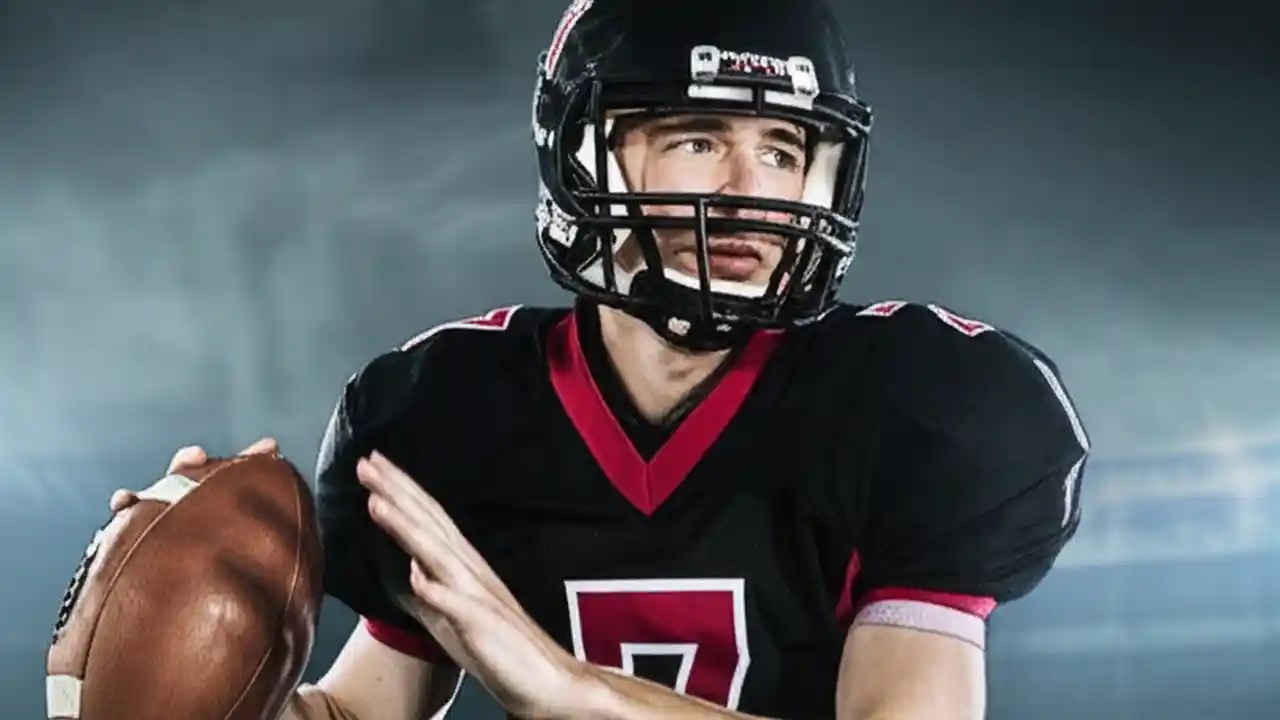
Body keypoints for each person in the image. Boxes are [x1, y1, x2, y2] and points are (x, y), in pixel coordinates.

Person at [109, 0, 1091, 717]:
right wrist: (179, 645)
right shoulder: (444, 409)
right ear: (582, 159)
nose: (755, 190)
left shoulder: (920, 406)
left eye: (787, 151)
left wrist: (570, 689)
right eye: (699, 138)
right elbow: (362, 712)